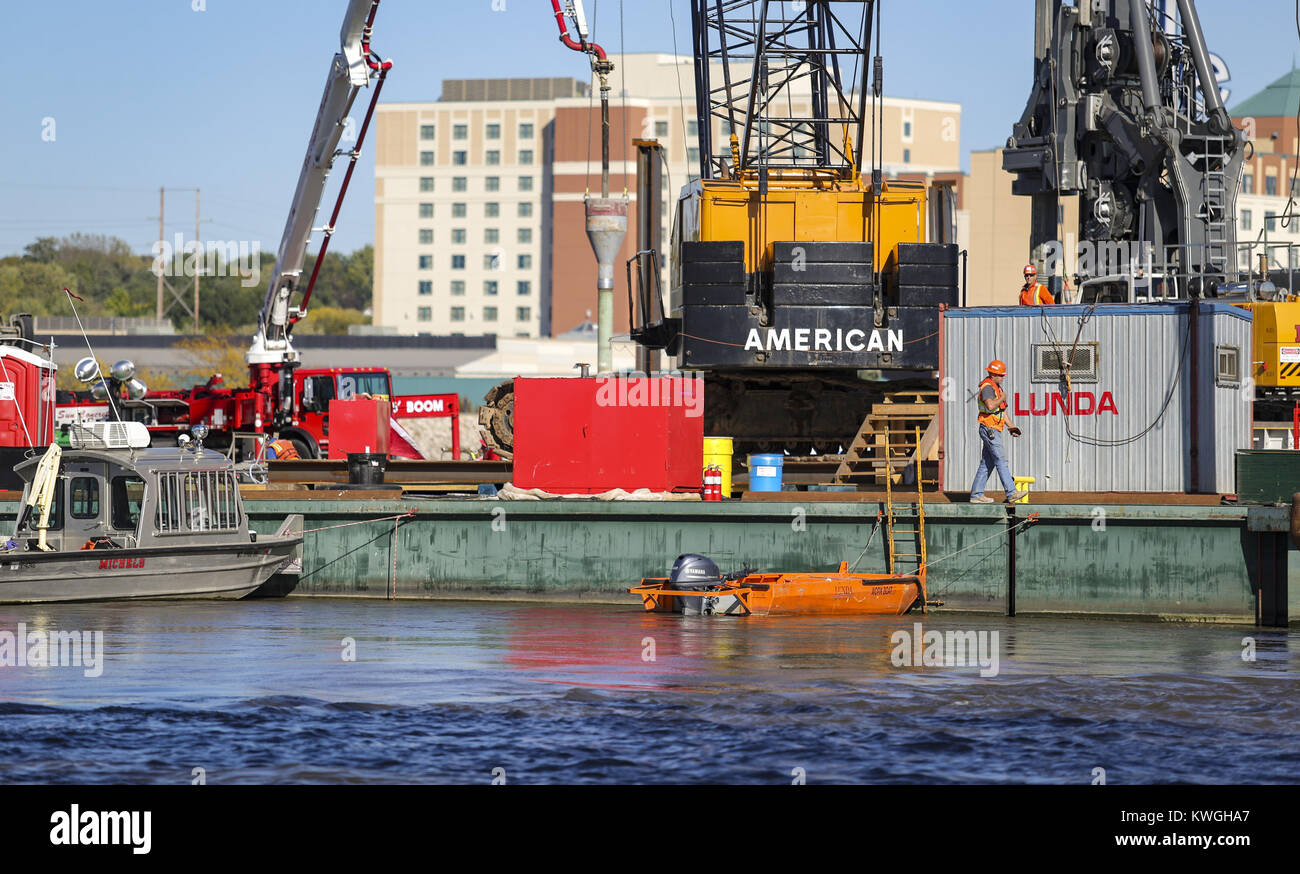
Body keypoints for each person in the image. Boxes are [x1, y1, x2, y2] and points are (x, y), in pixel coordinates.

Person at [970, 359, 1027, 504]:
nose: (1003, 377)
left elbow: (1001, 411)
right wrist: (1002, 397)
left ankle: (976, 495)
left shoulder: (996, 387)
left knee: (987, 463)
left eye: (1003, 375)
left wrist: (1011, 426)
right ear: (992, 374)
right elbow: (990, 406)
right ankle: (1011, 492)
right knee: (1001, 460)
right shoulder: (989, 388)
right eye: (1000, 375)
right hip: (989, 428)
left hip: (994, 428)